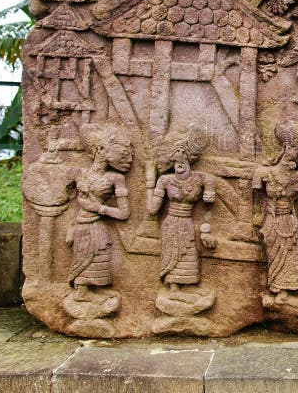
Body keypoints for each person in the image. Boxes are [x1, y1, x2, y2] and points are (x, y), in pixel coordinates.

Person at [252, 120, 298, 316]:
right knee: (277, 256)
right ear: (290, 148)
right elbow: (255, 199)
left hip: (289, 223)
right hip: (271, 222)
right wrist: (258, 218)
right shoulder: (263, 173)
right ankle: (280, 293)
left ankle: (286, 294)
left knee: (295, 257)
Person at [147, 125, 217, 315]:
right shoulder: (165, 181)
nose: (179, 160)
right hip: (171, 222)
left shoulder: (203, 179)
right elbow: (152, 210)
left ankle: (185, 290)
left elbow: (208, 208)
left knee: (188, 255)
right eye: (175, 156)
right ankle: (173, 290)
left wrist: (205, 229)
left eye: (182, 155)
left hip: (187, 222)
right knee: (172, 255)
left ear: (189, 157)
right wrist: (150, 184)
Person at [65, 123, 132, 314]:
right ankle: (82, 292)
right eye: (123, 153)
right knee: (82, 257)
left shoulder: (115, 179)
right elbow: (68, 202)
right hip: (81, 225)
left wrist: (100, 208)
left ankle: (91, 291)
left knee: (100, 258)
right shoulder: (79, 174)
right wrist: (70, 225)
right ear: (101, 149)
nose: (128, 159)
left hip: (98, 226)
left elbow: (124, 213)